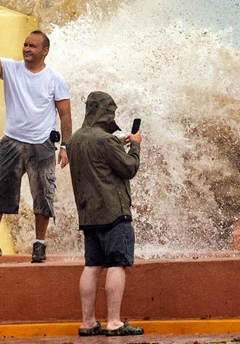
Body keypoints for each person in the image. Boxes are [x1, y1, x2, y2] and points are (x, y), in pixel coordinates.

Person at [0, 22, 72, 265]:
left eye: (32, 46)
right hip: (12, 143)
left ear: (45, 51)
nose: (26, 49)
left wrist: (65, 146)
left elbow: (65, 115)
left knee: (43, 194)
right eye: (25, 45)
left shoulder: (55, 79)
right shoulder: (11, 69)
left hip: (42, 146)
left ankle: (40, 245)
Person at [67, 91, 144, 337]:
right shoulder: (106, 141)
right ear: (105, 112)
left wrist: (116, 145)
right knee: (116, 264)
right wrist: (136, 146)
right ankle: (114, 322)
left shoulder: (75, 140)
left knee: (91, 265)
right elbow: (129, 168)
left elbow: (96, 161)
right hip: (114, 213)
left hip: (88, 215)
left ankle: (88, 322)